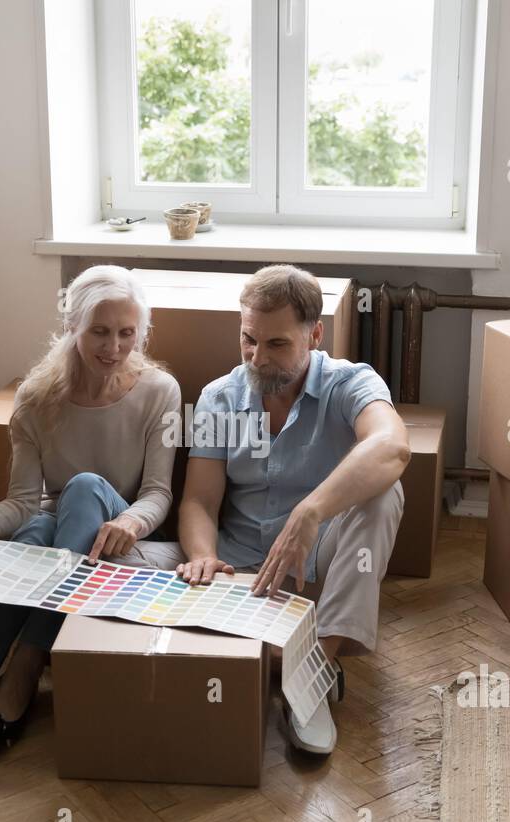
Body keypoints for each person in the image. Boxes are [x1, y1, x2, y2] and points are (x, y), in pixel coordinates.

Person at [144, 265, 410, 755]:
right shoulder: (219, 397)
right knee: (116, 564)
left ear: (314, 334)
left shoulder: (350, 382)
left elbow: (393, 448)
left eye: (277, 345)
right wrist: (202, 555)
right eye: (248, 339)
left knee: (383, 492)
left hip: (320, 570)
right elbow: (200, 500)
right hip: (238, 568)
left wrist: (309, 512)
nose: (257, 357)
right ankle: (273, 651)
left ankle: (311, 672)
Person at [0, 265, 181, 753]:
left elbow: (158, 495)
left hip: (122, 531)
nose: (114, 347)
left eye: (128, 333)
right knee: (38, 528)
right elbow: (22, 505)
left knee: (81, 489)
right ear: (72, 327)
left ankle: (22, 664)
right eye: (99, 332)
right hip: (57, 532)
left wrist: (130, 519)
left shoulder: (159, 392)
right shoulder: (36, 398)